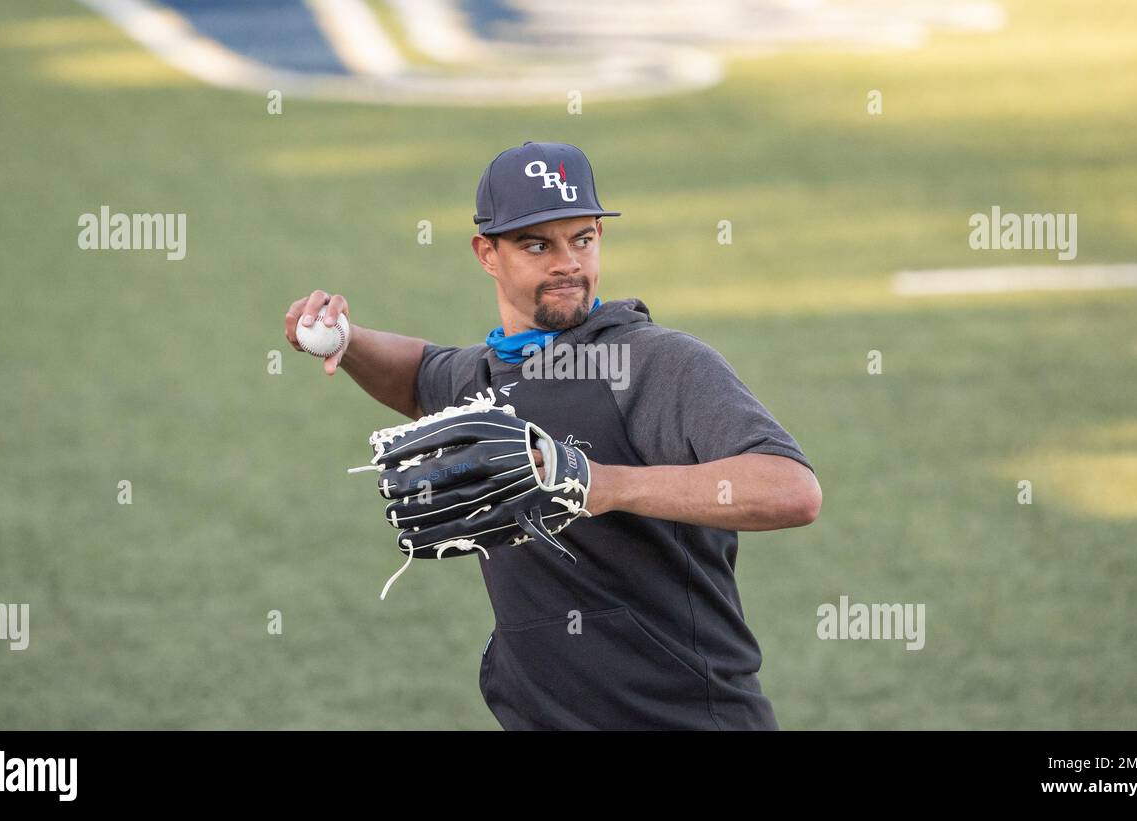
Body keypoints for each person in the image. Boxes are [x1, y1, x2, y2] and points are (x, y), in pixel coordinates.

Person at [284, 141, 821, 730]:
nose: (567, 262)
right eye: (537, 244)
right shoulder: (484, 378)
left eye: (582, 239)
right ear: (487, 254)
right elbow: (418, 373)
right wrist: (347, 340)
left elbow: (791, 490)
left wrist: (593, 482)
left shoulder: (655, 363)